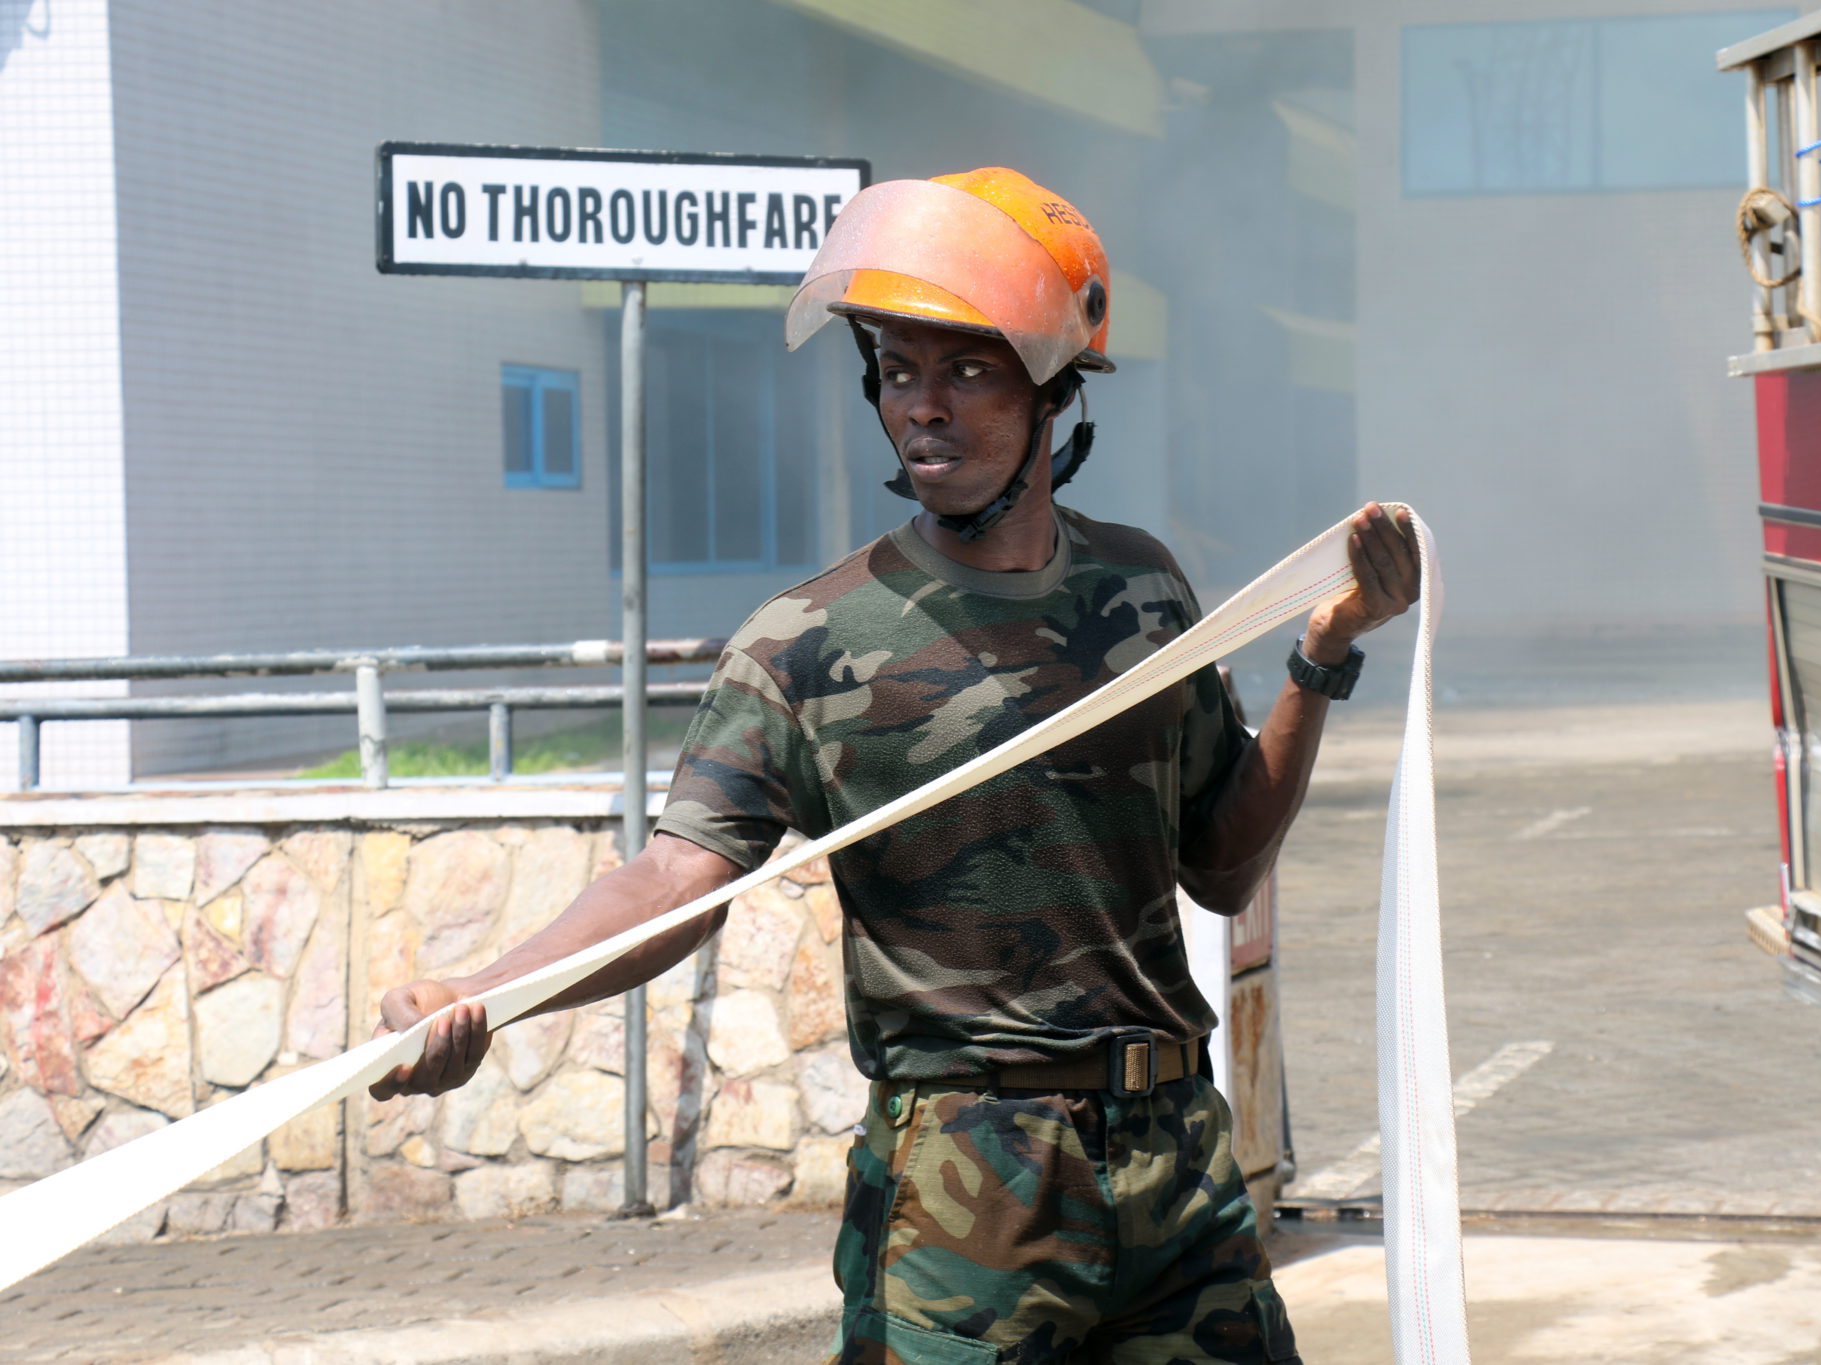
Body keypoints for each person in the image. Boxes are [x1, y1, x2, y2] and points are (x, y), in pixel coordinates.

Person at [371, 166, 1420, 1365]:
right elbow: (672, 880)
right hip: (969, 1185)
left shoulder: (1141, 588)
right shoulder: (806, 642)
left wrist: (1319, 658)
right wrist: (486, 995)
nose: (922, 406)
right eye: (895, 370)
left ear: (1047, 390)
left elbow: (1223, 870)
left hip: (1176, 1168)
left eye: (964, 370)